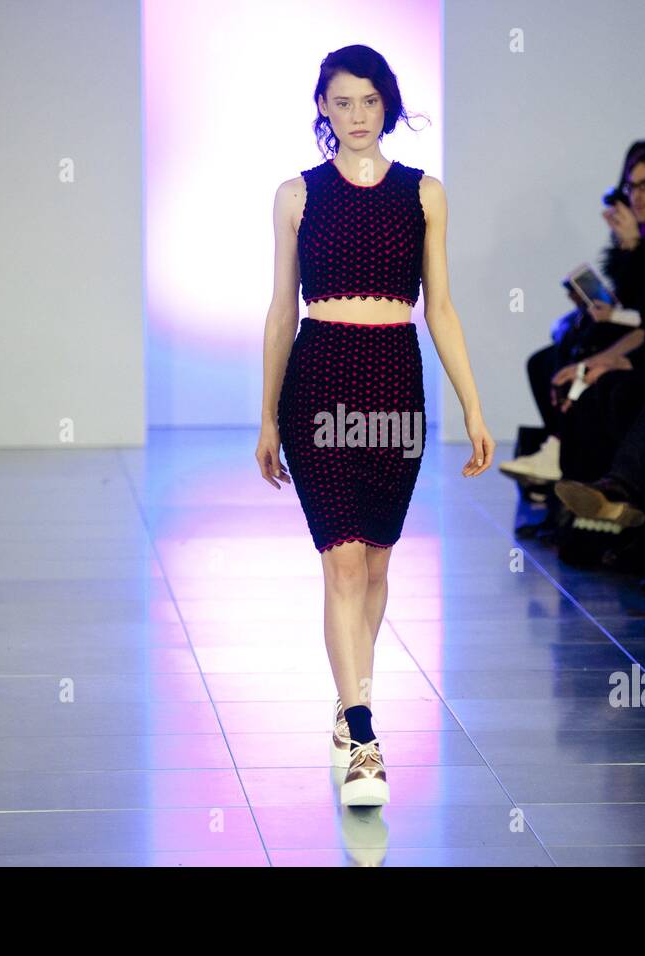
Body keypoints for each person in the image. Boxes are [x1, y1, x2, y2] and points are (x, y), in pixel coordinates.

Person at [255, 44, 492, 807]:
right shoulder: (297, 195)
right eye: (341, 101)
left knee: (380, 564)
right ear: (322, 108)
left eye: (368, 100)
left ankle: (348, 693)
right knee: (344, 562)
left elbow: (442, 307)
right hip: (319, 379)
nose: (356, 115)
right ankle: (362, 733)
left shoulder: (426, 194)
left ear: (388, 105)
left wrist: (473, 405)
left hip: (395, 380)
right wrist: (265, 415)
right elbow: (280, 307)